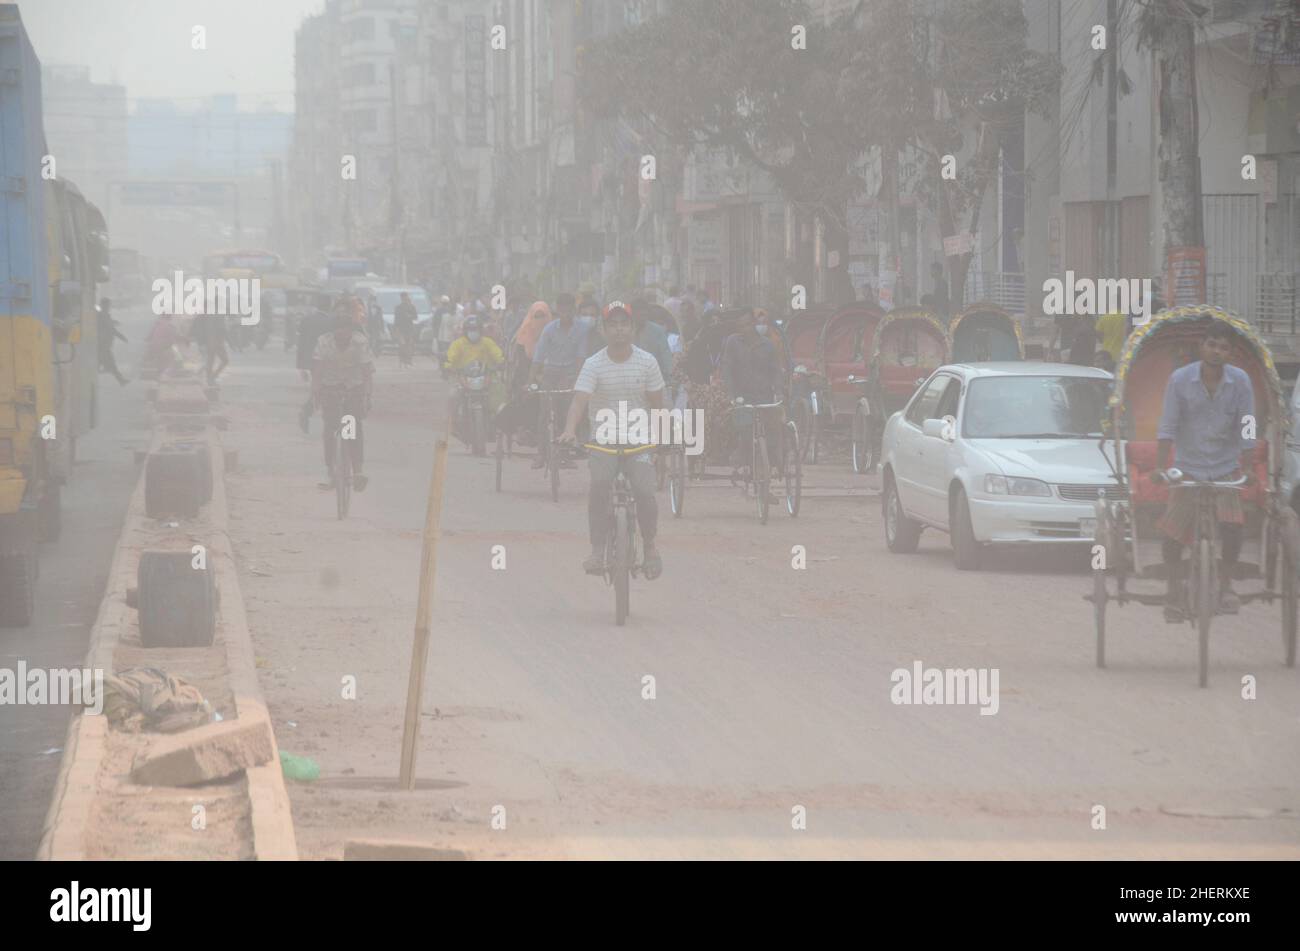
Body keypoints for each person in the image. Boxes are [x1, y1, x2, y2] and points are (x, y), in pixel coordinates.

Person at [1154, 323, 1256, 621]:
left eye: (1223, 347)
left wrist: (1248, 468)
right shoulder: (1180, 380)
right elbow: (1168, 425)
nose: (1216, 351)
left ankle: (1225, 586)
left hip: (1225, 467)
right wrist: (1161, 467)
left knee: (1234, 528)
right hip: (1188, 468)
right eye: (1212, 344)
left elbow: (1247, 425)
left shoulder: (1241, 382)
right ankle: (1173, 591)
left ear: (1230, 353)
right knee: (1172, 533)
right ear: (1202, 346)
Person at [559, 302, 664, 579]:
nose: (619, 329)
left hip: (639, 441)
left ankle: (650, 547)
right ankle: (597, 550)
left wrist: (662, 438)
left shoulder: (647, 362)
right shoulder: (594, 364)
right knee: (599, 486)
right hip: (603, 441)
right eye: (613, 324)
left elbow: (657, 405)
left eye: (624, 324)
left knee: (644, 491)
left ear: (632, 329)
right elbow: (579, 402)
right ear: (604, 330)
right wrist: (570, 429)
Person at [312, 307, 374, 492]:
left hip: (353, 387)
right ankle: (330, 471)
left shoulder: (360, 342)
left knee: (352, 428)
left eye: (345, 328)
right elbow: (317, 369)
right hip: (330, 386)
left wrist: (367, 395)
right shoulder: (323, 342)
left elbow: (367, 372)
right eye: (338, 328)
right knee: (330, 428)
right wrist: (315, 391)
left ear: (351, 330)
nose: (342, 332)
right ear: (333, 330)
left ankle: (357, 472)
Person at [529, 293, 591, 469]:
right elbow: (538, 358)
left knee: (568, 412)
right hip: (550, 373)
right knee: (544, 413)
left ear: (573, 309)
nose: (565, 311)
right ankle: (541, 453)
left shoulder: (582, 329)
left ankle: (565, 453)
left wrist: (576, 381)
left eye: (569, 308)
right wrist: (530, 380)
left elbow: (581, 356)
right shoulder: (549, 329)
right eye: (561, 308)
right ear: (557, 309)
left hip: (571, 373)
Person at [720, 308, 783, 469]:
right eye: (741, 326)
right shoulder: (733, 342)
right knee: (744, 431)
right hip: (742, 397)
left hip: (765, 396)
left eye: (748, 324)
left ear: (754, 323)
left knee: (773, 431)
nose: (745, 329)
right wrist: (731, 395)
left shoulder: (768, 345)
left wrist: (778, 391)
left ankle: (775, 458)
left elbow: (776, 371)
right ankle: (743, 455)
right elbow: (727, 370)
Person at [444, 315, 505, 440]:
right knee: (453, 395)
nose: (474, 332)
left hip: (485, 377)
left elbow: (497, 354)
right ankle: (454, 424)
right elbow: (450, 358)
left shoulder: (487, 343)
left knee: (499, 395)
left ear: (481, 330)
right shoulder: (458, 344)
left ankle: (497, 423)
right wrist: (449, 366)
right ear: (465, 331)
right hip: (463, 378)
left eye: (476, 329)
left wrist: (501, 362)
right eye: (471, 329)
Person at [296, 297, 335, 433]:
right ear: (329, 306)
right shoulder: (332, 322)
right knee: (327, 389)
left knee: (319, 389)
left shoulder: (307, 319)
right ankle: (310, 412)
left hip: (311, 362)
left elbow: (301, 343)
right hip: (327, 361)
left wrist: (301, 366)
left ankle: (308, 412)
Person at [97, 297, 129, 386]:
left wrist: (113, 322)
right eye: (107, 305)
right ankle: (121, 380)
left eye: (108, 305)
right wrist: (122, 337)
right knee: (111, 363)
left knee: (105, 363)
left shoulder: (104, 315)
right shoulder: (102, 315)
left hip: (103, 345)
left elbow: (109, 326)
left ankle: (121, 380)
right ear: (104, 305)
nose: (108, 307)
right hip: (102, 345)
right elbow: (111, 329)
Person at [193, 313, 229, 386]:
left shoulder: (206, 315)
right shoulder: (218, 315)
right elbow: (222, 329)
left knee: (210, 361)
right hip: (217, 342)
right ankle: (211, 378)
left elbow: (197, 327)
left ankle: (209, 378)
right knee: (224, 360)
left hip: (209, 342)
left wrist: (201, 341)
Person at [394, 292, 418, 367]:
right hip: (401, 329)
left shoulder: (411, 307)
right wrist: (396, 329)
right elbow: (396, 319)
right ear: (401, 298)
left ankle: (408, 361)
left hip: (409, 329)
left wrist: (410, 316)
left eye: (406, 297)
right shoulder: (398, 307)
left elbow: (415, 317)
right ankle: (401, 361)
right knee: (402, 345)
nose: (404, 299)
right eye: (403, 297)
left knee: (409, 346)